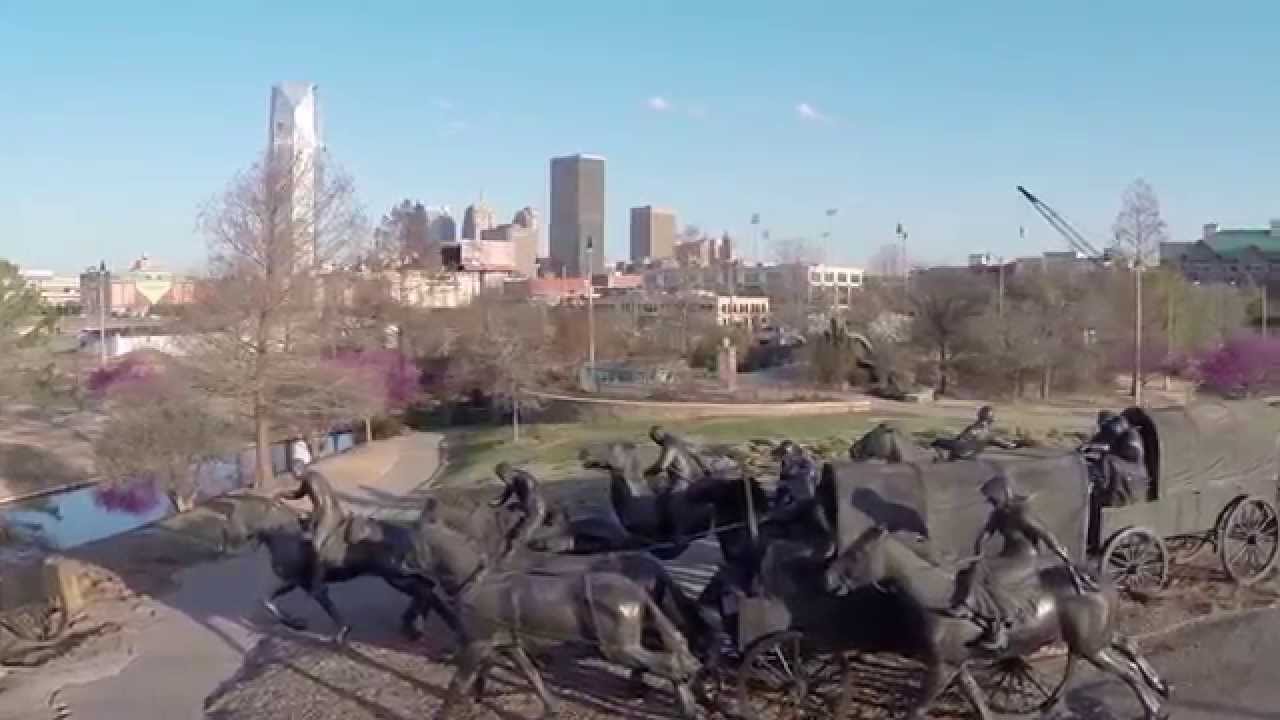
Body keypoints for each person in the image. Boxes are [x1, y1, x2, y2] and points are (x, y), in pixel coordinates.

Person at [945, 474, 1094, 652]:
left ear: (1003, 494)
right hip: (1007, 555)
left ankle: (997, 624)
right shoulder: (1000, 513)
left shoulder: (1022, 512)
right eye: (990, 500)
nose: (991, 502)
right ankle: (970, 607)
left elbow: (1046, 535)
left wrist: (1063, 554)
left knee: (993, 578)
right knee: (971, 570)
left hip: (1024, 559)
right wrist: (979, 551)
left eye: (993, 499)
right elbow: (986, 534)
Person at [273, 469, 349, 593]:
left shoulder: (311, 481)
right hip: (327, 512)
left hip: (329, 515)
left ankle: (318, 582)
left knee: (315, 545)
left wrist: (311, 522)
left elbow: (320, 505)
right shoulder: (310, 478)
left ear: (299, 470)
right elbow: (298, 494)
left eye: (294, 473)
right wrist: (281, 494)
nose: (293, 476)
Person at [769, 441, 834, 557]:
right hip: (793, 500)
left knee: (817, 520)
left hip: (807, 501)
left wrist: (786, 483)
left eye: (783, 455)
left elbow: (804, 483)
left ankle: (826, 543)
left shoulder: (806, 464)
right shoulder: (786, 466)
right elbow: (781, 491)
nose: (782, 459)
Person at [491, 462, 548, 559]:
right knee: (504, 523)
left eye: (502, 477)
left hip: (536, 510)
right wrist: (497, 503)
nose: (502, 480)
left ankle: (508, 557)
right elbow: (508, 492)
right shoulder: (512, 478)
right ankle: (505, 547)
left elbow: (527, 502)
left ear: (509, 473)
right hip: (525, 507)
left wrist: (514, 506)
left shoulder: (525, 481)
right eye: (500, 478)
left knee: (518, 536)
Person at [1091, 414, 1150, 507]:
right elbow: (1098, 441)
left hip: (1135, 471)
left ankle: (1102, 483)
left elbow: (1129, 454)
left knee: (1109, 461)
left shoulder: (1131, 438)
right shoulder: (1115, 435)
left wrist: (1104, 448)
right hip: (1125, 468)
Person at [932, 406, 1018, 461]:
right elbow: (1008, 446)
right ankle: (945, 459)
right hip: (971, 458)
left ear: (979, 416)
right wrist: (1023, 443)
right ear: (991, 420)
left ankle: (943, 459)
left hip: (959, 455)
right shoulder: (991, 435)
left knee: (937, 441)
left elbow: (959, 441)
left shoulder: (972, 428)